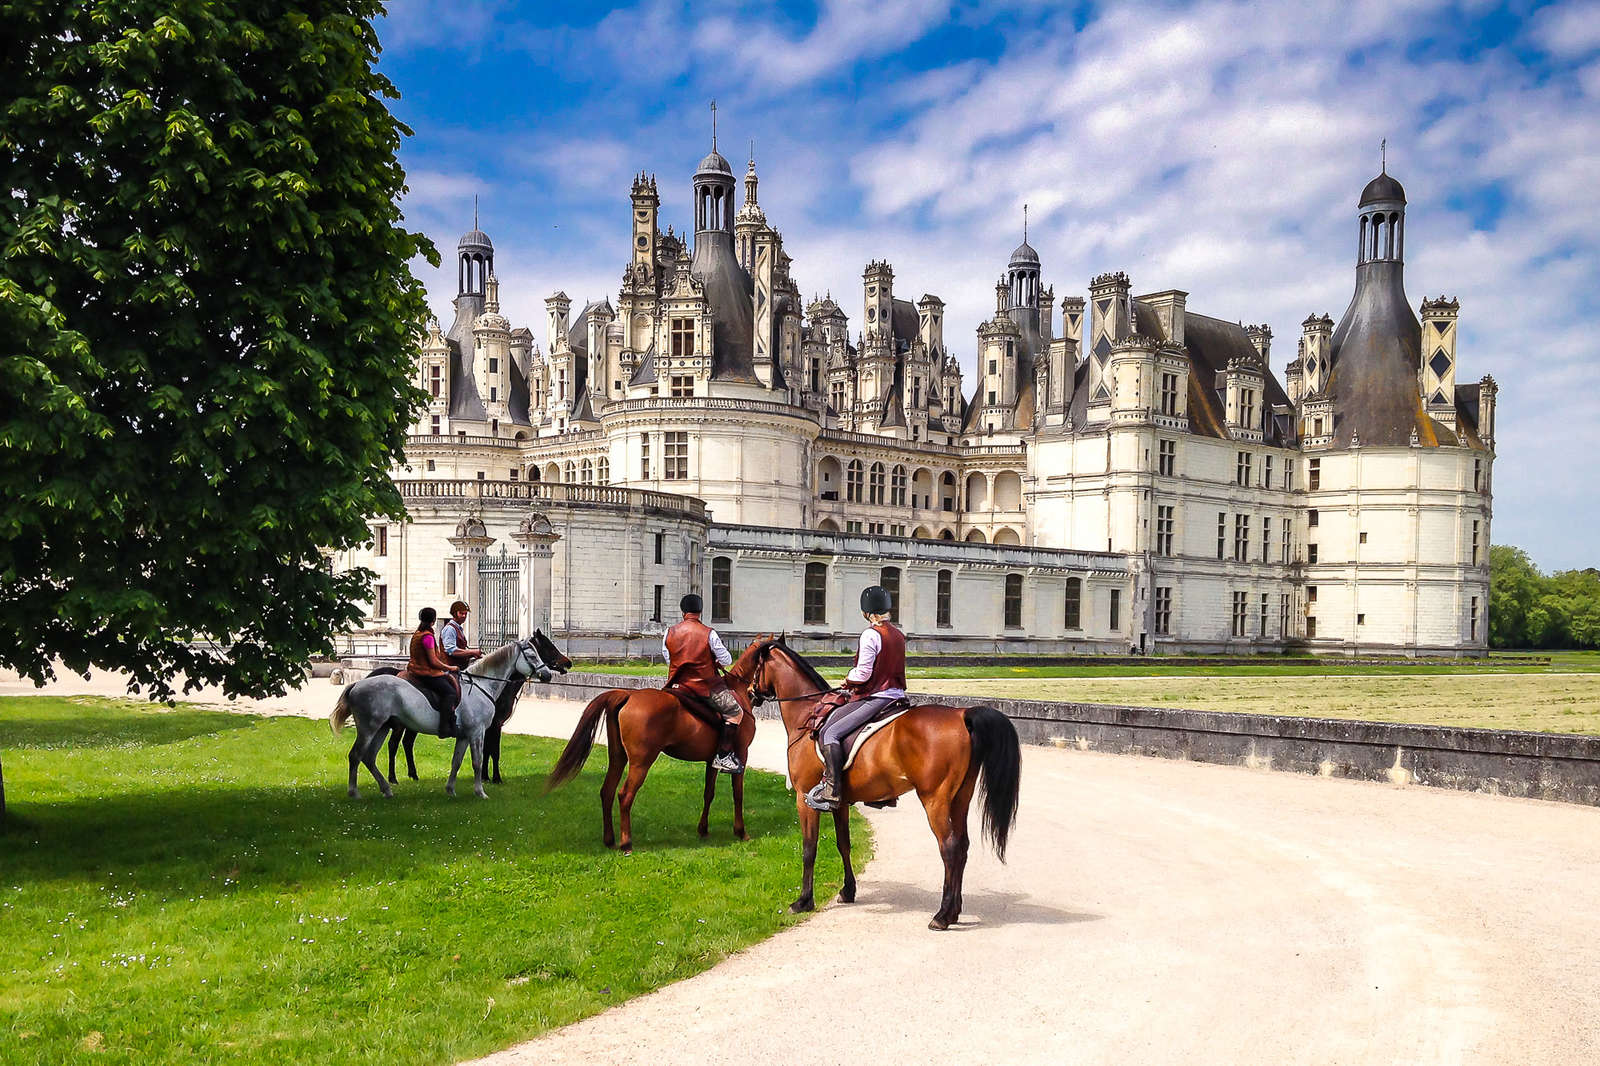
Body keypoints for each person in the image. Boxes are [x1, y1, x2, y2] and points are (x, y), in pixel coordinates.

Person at [806, 585, 907, 812]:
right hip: (898, 698)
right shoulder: (898, 634)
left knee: (829, 732)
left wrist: (848, 679)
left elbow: (863, 674)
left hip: (876, 697)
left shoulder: (871, 634)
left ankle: (832, 790)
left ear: (867, 612)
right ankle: (882, 793)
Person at [662, 593, 747, 773]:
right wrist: (713, 661)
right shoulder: (709, 633)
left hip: (677, 685)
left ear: (683, 611)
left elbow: (668, 658)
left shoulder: (669, 632)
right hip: (704, 687)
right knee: (735, 712)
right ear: (700, 611)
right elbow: (726, 659)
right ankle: (723, 756)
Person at [407, 607, 461, 737]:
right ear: (433, 620)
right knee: (450, 693)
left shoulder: (417, 634)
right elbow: (433, 662)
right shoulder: (427, 637)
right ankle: (444, 727)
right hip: (426, 673)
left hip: (414, 670)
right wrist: (450, 668)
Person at [441, 600, 482, 669]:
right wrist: (472, 652)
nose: (464, 616)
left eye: (465, 614)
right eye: (461, 613)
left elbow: (461, 649)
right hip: (450, 669)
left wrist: (472, 654)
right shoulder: (450, 629)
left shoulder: (458, 628)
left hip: (460, 668)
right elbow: (451, 651)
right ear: (454, 614)